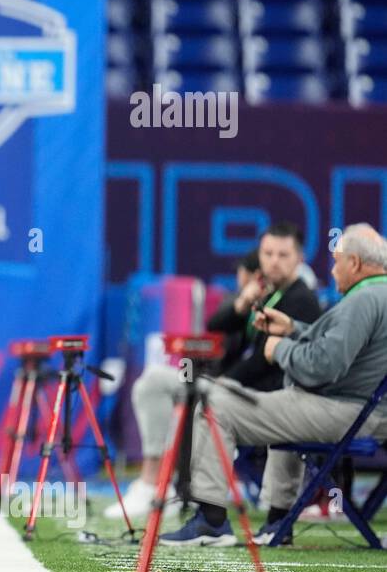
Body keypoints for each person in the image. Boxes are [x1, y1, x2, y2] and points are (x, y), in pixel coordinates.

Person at [160, 224, 387, 546]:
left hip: (350, 414)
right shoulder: (378, 294)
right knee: (285, 399)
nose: (333, 270)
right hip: (365, 412)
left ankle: (211, 519)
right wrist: (294, 329)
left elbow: (323, 367)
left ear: (355, 263)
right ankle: (278, 522)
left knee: (213, 403)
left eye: (337, 262)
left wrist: (279, 348)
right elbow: (341, 348)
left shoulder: (362, 300)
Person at [110, 224, 322, 519]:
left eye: (283, 254)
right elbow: (214, 327)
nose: (274, 260)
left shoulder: (300, 299)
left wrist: (221, 383)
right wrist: (242, 302)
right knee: (153, 382)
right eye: (268, 253)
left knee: (200, 398)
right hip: (230, 381)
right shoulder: (265, 293)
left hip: (262, 393)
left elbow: (266, 360)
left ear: (299, 258)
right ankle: (155, 479)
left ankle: (183, 495)